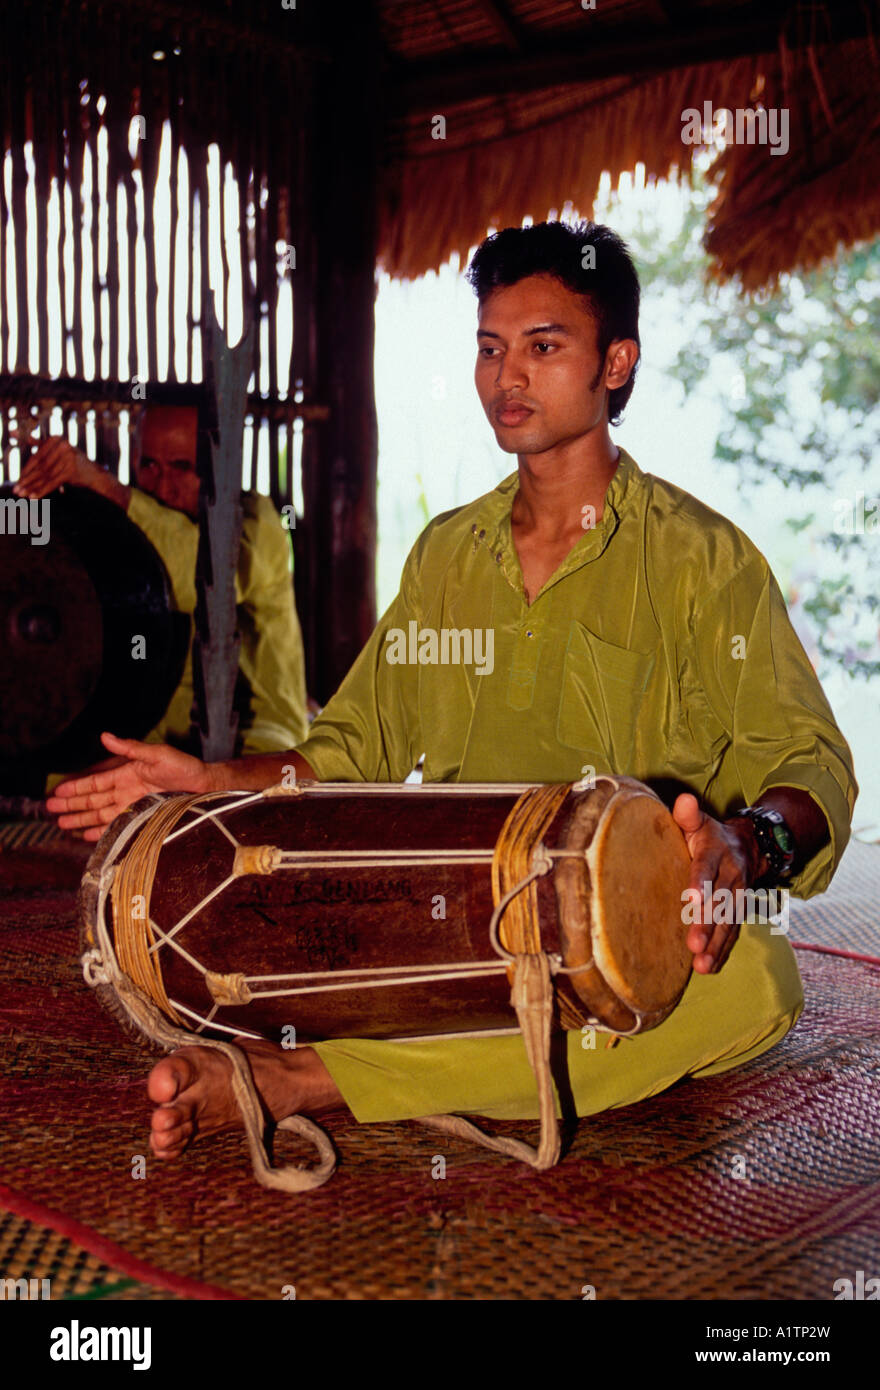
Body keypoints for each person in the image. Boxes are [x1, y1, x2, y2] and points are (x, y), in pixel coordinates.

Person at [47, 222, 856, 1164]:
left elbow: (810, 765)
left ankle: (310, 1077)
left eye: (543, 347)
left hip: (624, 926)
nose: (508, 376)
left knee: (755, 981)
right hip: (446, 913)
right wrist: (210, 780)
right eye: (490, 348)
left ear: (615, 362)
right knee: (273, 898)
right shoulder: (446, 555)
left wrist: (744, 846)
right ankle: (411, 1050)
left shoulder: (702, 560)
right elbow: (352, 749)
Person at [15, 404, 308, 759]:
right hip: (158, 747)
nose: (163, 486)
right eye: (149, 465)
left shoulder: (256, 522)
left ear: (220, 464)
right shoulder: (128, 527)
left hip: (258, 749)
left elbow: (200, 577)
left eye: (183, 467)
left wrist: (104, 485)